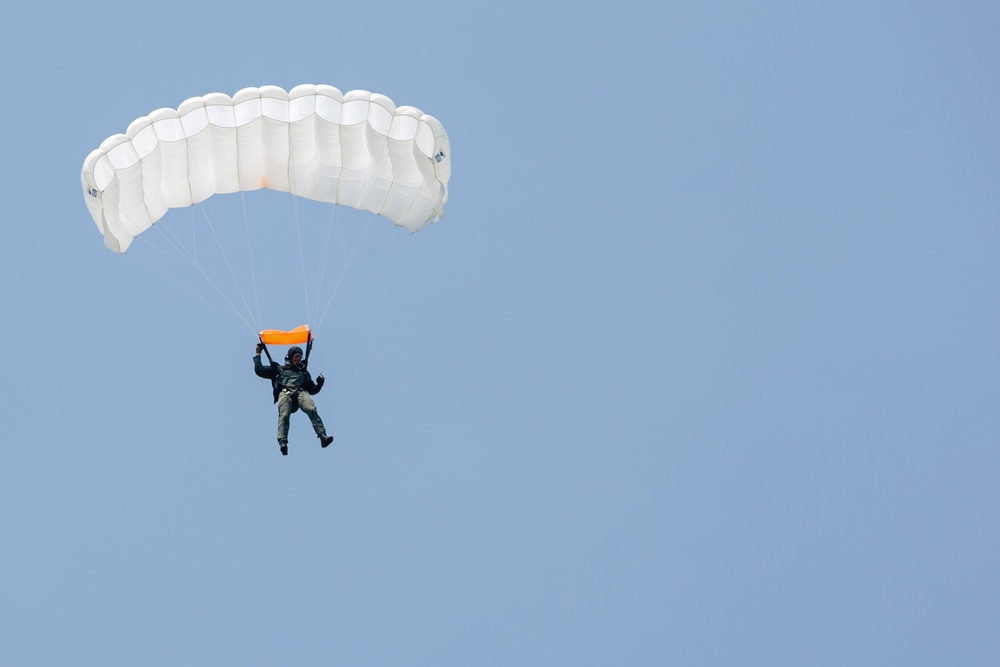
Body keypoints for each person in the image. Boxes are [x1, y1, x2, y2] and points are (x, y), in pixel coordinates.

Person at [254, 343, 334, 455]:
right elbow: (259, 370)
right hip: (285, 394)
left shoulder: (303, 373)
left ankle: (322, 436)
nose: (298, 359)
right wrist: (258, 352)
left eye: (300, 357)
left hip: (300, 393)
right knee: (284, 415)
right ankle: (283, 442)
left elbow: (312, 390)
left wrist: (319, 384)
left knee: (311, 409)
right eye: (296, 357)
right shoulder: (278, 370)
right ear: (291, 357)